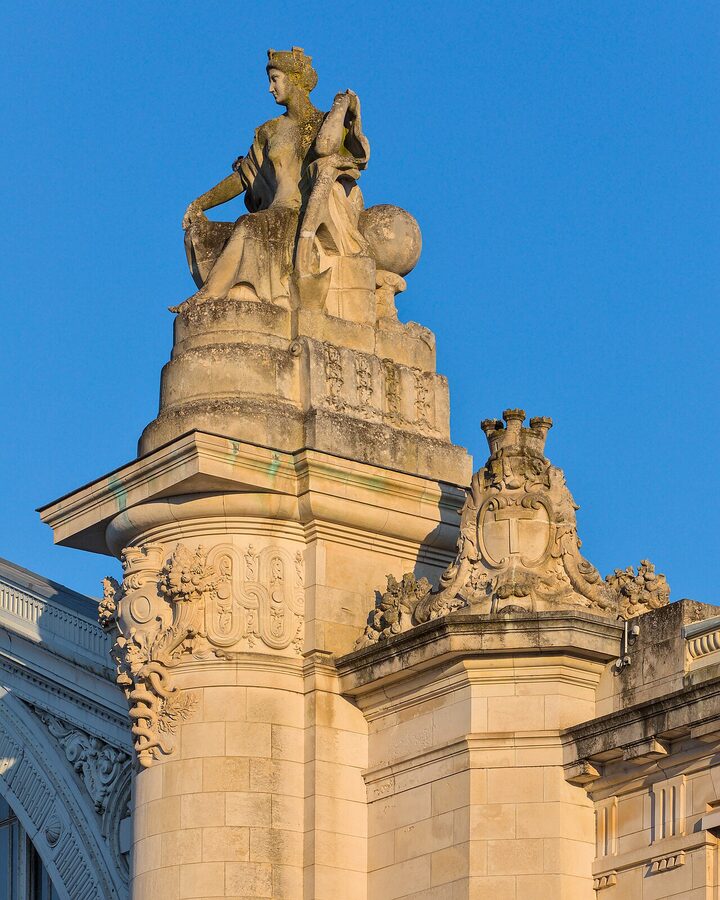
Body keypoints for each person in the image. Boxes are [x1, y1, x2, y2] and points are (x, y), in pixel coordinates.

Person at [181, 47, 369, 307]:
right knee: (205, 234)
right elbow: (242, 179)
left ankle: (213, 294)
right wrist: (200, 203)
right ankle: (236, 291)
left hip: (299, 218)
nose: (270, 88)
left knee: (248, 226)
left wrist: (341, 108)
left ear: (294, 79)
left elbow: (326, 148)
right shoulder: (269, 131)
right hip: (272, 216)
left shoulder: (323, 123)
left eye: (275, 79)